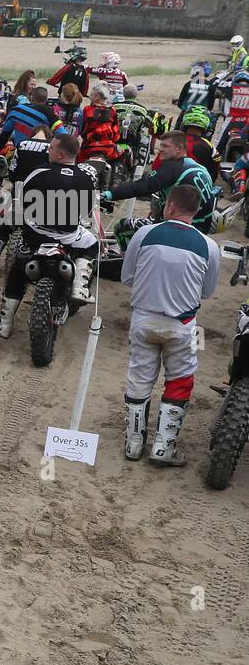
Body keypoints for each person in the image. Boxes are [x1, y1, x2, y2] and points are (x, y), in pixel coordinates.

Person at [119, 183, 220, 465]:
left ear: (171, 206)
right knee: (179, 380)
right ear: (197, 211)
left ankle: (133, 444)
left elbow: (127, 277)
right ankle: (163, 448)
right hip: (182, 323)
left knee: (139, 378)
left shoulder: (144, 233)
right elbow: (207, 291)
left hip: (143, 317)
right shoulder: (209, 246)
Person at [0, 132, 99, 339]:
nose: (48, 151)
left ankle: (4, 323)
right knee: (92, 244)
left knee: (17, 271)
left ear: (59, 154)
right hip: (68, 236)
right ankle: (80, 284)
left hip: (37, 235)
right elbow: (86, 211)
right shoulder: (86, 177)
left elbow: (23, 198)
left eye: (51, 148)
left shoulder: (39, 171)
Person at [104, 131, 219, 242]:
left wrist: (108, 194)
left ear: (178, 149)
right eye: (160, 145)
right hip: (202, 228)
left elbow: (143, 186)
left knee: (122, 228)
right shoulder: (200, 168)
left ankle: (131, 260)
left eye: (165, 146)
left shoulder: (173, 168)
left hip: (177, 229)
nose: (160, 149)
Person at [0, 125, 52, 275]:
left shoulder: (22, 144)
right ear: (48, 135)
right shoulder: (52, 148)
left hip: (19, 193)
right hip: (42, 196)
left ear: (33, 133)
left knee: (3, 227)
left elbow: (12, 172)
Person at [0, 86, 61, 151]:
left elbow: (4, 136)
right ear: (46, 100)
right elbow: (62, 136)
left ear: (31, 98)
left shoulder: (17, 110)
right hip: (43, 156)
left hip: (20, 154)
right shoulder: (51, 114)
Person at [77, 85, 121, 163]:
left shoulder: (87, 110)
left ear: (96, 97)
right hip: (108, 148)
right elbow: (116, 135)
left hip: (89, 147)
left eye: (91, 95)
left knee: (78, 160)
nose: (89, 97)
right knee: (122, 154)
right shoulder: (112, 110)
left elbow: (83, 131)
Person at [174, 104, 219, 178]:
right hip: (198, 184)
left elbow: (156, 166)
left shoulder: (173, 141)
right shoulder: (209, 146)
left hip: (171, 184)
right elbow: (214, 172)